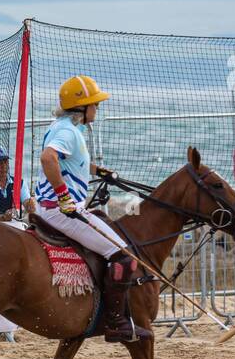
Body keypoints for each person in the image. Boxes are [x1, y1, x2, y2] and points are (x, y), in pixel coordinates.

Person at [33, 75, 150, 343]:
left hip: (53, 207)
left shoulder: (65, 126)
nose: (97, 108)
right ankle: (116, 323)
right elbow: (48, 158)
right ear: (82, 108)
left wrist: (97, 171)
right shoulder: (68, 132)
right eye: (95, 104)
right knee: (122, 255)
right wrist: (64, 197)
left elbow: (68, 162)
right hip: (60, 211)